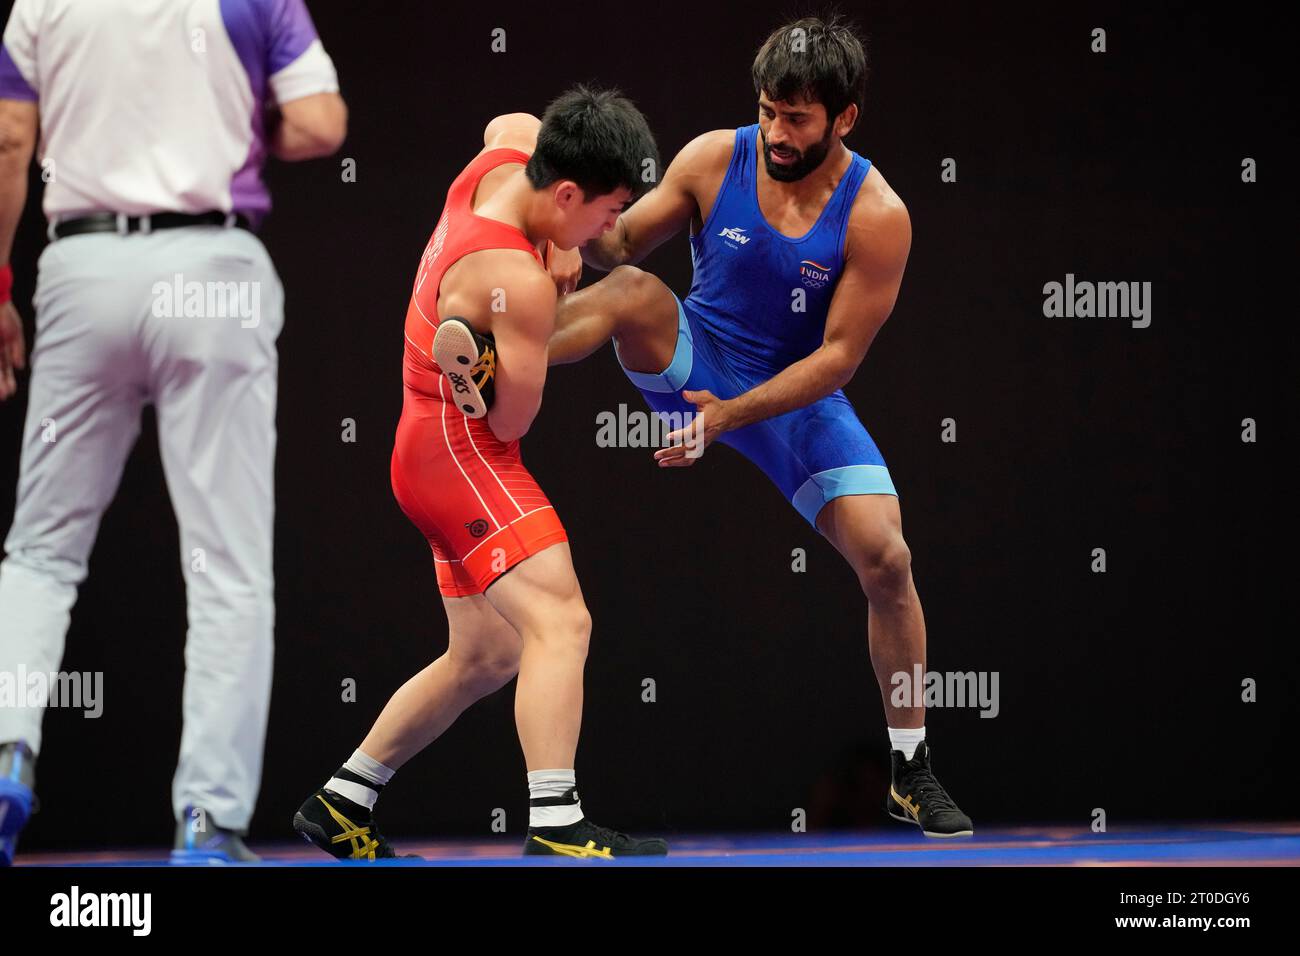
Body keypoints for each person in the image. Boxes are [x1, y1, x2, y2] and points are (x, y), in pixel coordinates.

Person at [542, 15, 974, 837]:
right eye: (769, 110)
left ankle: (911, 768)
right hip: (699, 356)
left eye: (798, 118)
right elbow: (624, 242)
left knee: (889, 556)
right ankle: (503, 359)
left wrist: (733, 415)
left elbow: (839, 357)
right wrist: (569, 225)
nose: (776, 132)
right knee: (632, 290)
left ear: (845, 118)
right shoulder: (715, 156)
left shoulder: (879, 214)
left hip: (796, 396)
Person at [0, 0, 347, 865]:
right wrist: (223, 119)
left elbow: (10, 141)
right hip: (211, 270)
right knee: (227, 568)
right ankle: (206, 825)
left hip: (83, 269)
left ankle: (8, 750)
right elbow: (320, 121)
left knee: (41, 552)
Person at [291, 85, 669, 860]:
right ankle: (556, 820)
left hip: (422, 446)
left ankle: (341, 800)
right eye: (605, 214)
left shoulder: (503, 163)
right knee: (562, 621)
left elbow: (508, 116)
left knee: (487, 655)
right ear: (567, 191)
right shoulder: (519, 286)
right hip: (465, 452)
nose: (609, 233)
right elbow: (511, 423)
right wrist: (496, 375)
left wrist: (561, 244)